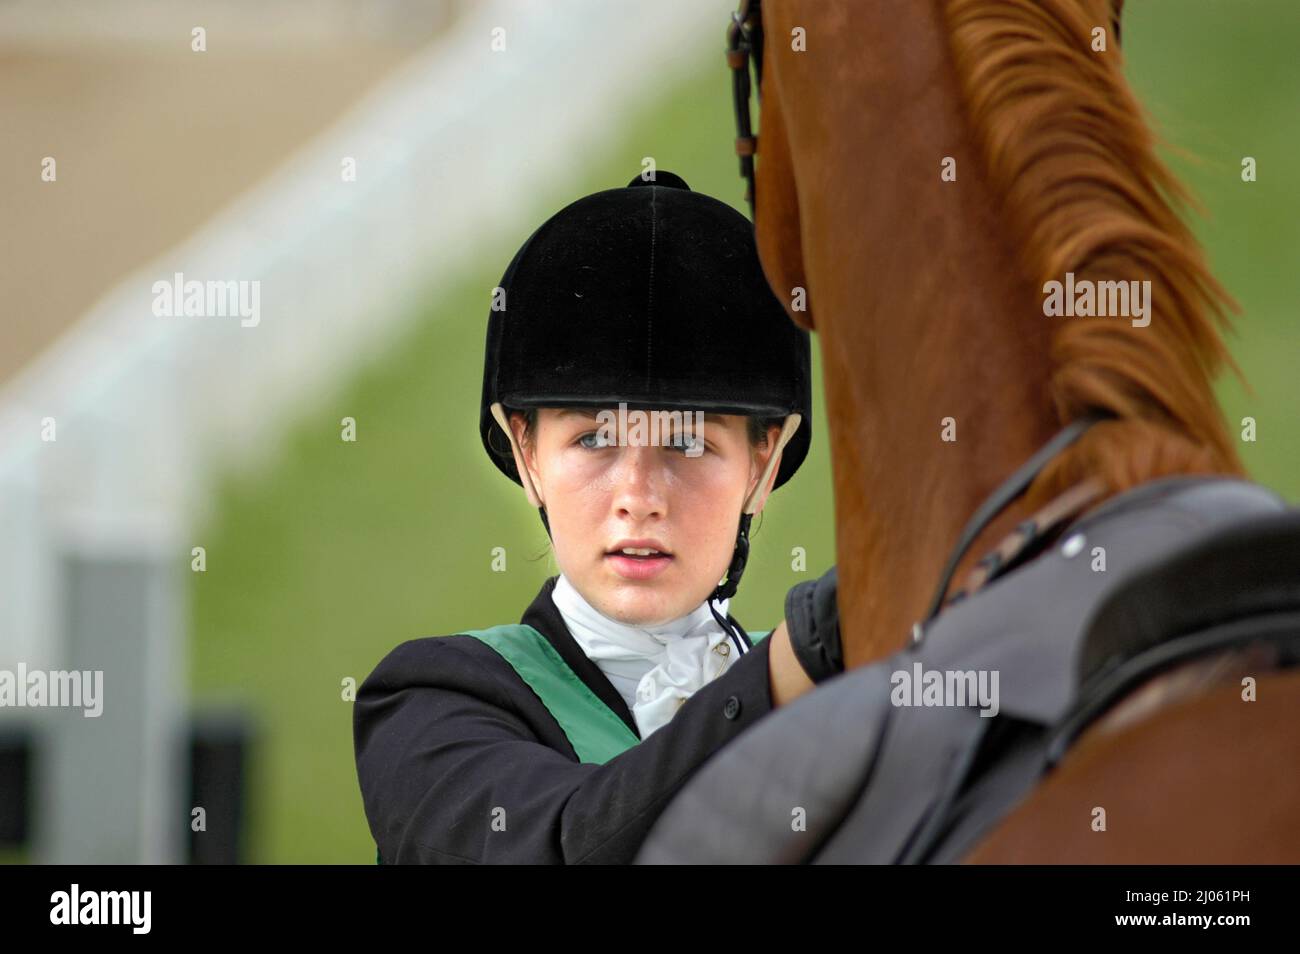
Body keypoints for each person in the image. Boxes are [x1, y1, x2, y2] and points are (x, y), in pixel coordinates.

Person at [352, 171, 844, 865]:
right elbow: (562, 847)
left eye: (688, 443)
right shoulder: (428, 704)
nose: (638, 495)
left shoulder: (839, 691)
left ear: (763, 466)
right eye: (593, 440)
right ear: (528, 455)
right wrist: (792, 666)